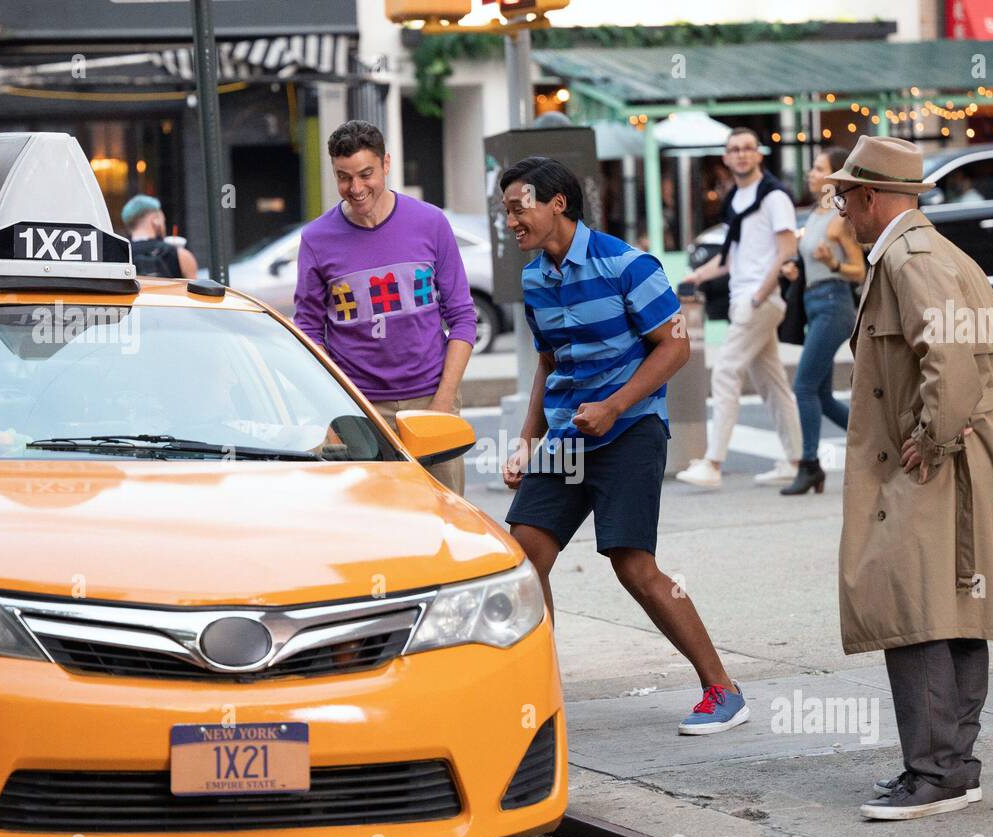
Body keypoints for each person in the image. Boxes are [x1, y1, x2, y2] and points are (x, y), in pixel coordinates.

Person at [499, 156, 747, 737]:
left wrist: (613, 405)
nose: (510, 221)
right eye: (505, 211)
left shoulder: (628, 265)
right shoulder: (535, 278)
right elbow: (547, 363)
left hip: (630, 430)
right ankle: (543, 697)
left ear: (556, 203)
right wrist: (526, 442)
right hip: (565, 435)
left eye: (518, 208)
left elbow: (675, 348)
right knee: (524, 559)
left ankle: (723, 690)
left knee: (632, 565)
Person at [826, 135, 993, 821]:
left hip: (934, 461)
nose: (843, 209)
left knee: (910, 607)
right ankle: (951, 766)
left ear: (872, 197)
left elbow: (952, 356)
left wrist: (932, 436)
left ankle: (936, 772)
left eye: (846, 196)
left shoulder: (910, 259)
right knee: (952, 603)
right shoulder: (939, 254)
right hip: (955, 456)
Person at [292, 120, 477, 494]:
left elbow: (462, 318)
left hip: (430, 399)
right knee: (374, 522)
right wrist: (332, 406)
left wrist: (442, 402)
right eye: (344, 177)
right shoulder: (316, 240)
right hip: (357, 408)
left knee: (444, 522)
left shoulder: (430, 223)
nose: (356, 189)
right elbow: (309, 333)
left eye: (365, 174)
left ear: (386, 164)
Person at [676, 127, 803, 489]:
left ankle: (713, 462)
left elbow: (786, 250)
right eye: (735, 149)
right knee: (772, 384)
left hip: (758, 300)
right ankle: (795, 459)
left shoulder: (774, 196)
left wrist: (760, 294)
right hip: (745, 297)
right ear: (727, 157)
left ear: (759, 155)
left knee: (726, 371)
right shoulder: (736, 197)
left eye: (748, 148)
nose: (742, 154)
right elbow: (730, 257)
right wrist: (697, 275)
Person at [779, 147, 866, 496]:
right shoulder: (815, 215)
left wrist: (832, 264)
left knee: (802, 387)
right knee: (822, 395)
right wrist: (795, 269)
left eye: (818, 168)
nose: (811, 174)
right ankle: (876, 442)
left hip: (834, 304)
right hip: (815, 303)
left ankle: (811, 465)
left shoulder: (839, 221)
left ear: (834, 176)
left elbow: (859, 272)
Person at [121, 195, 198, 279]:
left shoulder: (119, 255)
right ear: (155, 220)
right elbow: (196, 289)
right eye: (163, 221)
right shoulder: (181, 255)